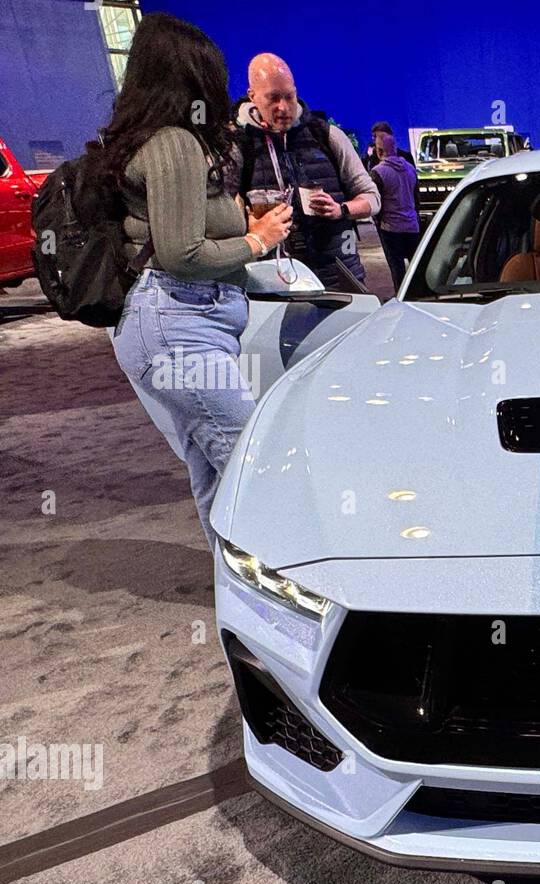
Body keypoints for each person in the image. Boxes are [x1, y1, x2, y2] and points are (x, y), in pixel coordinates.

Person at [96, 13, 291, 548]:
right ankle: (282, 606)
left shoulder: (158, 139)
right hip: (180, 322)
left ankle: (238, 592)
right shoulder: (176, 144)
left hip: (181, 321)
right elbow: (183, 253)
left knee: (212, 472)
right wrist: (257, 241)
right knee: (253, 467)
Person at [234, 52, 380, 290]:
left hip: (339, 279)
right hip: (270, 283)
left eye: (289, 96)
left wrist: (340, 209)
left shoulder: (328, 136)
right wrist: (248, 226)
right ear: (253, 96)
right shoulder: (238, 146)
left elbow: (373, 198)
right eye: (273, 98)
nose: (283, 107)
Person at [369, 131, 421, 291]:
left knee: (397, 268)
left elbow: (377, 204)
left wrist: (377, 221)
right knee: (416, 268)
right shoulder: (411, 169)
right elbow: (416, 198)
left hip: (390, 228)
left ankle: (402, 299)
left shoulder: (378, 172)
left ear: (379, 151)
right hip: (412, 225)